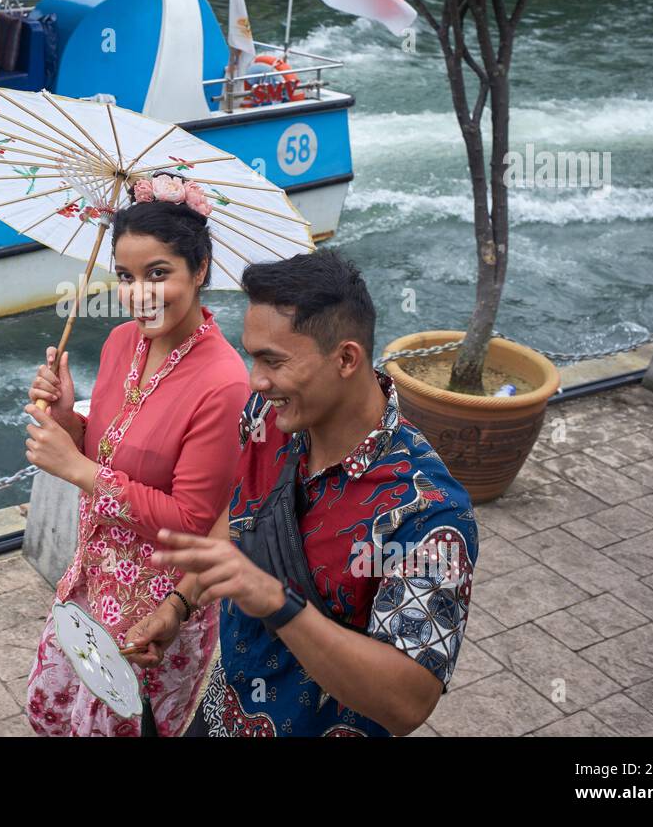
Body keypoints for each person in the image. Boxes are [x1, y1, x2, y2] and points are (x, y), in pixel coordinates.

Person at [125, 249, 479, 737]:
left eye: (273, 361)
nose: (255, 380)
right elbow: (246, 513)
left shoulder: (428, 514)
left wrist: (276, 602)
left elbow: (407, 702)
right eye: (251, 356)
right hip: (220, 717)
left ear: (346, 358)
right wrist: (179, 606)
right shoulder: (265, 419)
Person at [21, 173, 250, 737]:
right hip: (91, 574)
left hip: (157, 603)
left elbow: (194, 521)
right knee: (54, 712)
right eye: (125, 276)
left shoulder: (224, 383)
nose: (139, 293)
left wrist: (76, 468)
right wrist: (69, 420)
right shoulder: (123, 341)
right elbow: (111, 448)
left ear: (199, 271)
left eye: (158, 274)